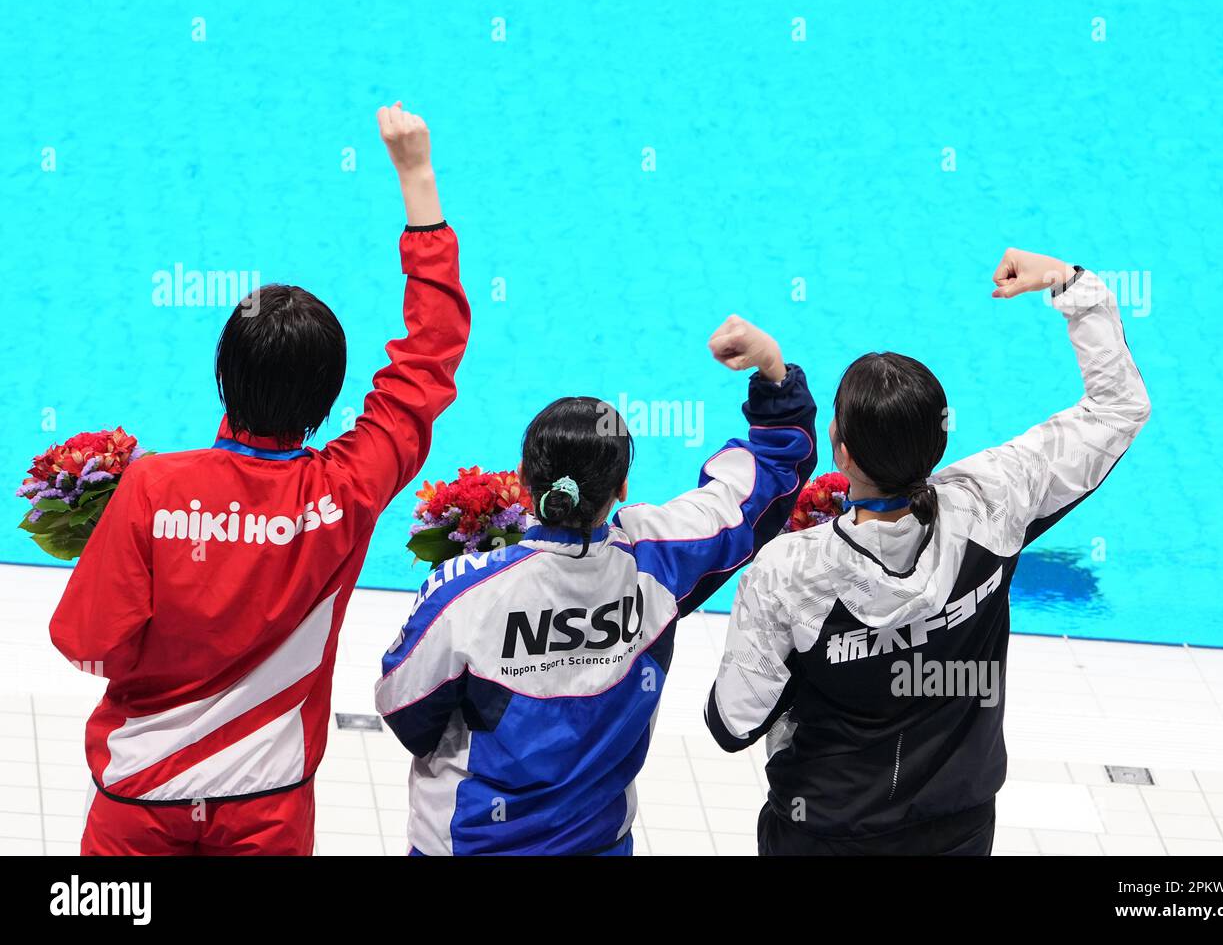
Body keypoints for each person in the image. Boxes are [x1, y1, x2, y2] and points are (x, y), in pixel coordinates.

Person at [49, 102, 471, 855]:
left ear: (223, 373)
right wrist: (417, 178)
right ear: (329, 395)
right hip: (268, 808)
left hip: (137, 802)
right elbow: (428, 356)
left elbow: (85, 643)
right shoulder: (349, 489)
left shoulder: (151, 489)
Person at [705, 249, 1152, 855]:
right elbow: (1117, 408)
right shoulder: (996, 502)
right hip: (957, 828)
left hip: (824, 832)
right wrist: (1072, 285)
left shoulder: (792, 570)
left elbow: (734, 722)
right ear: (941, 440)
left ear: (840, 451)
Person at [375, 316, 816, 855]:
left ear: (523, 478)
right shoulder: (661, 562)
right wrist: (771, 369)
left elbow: (405, 710)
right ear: (623, 486)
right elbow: (760, 486)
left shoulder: (463, 591)